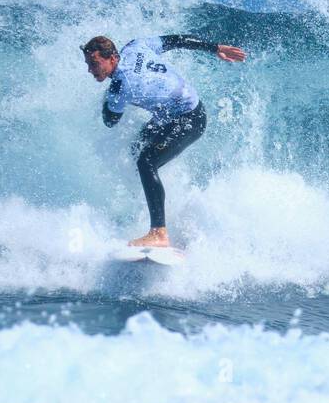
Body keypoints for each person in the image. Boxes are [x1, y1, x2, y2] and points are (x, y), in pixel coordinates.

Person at [81, 33, 246, 249]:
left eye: (94, 63)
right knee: (136, 148)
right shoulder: (135, 46)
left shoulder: (120, 88)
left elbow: (110, 120)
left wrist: (107, 99)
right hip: (178, 112)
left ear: (112, 58)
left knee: (146, 161)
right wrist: (214, 47)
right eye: (88, 64)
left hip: (189, 120)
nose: (90, 70)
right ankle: (153, 208)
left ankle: (159, 232)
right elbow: (175, 40)